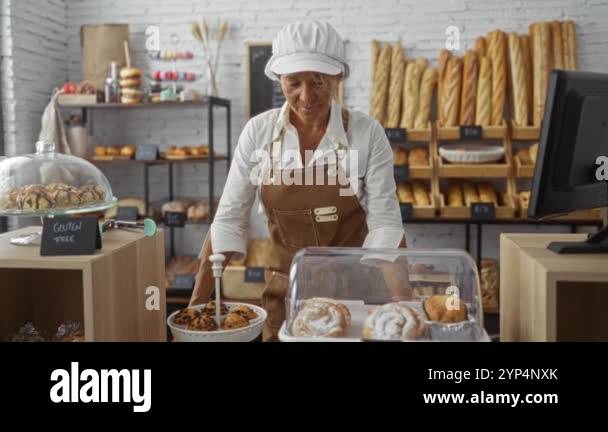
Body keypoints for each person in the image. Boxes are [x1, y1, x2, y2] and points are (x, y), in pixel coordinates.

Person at [190, 19, 406, 341]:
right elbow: (229, 221)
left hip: (358, 296)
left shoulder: (366, 133)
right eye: (294, 82)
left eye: (318, 81)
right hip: (287, 296)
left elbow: (386, 227)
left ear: (337, 77)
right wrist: (196, 309)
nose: (306, 96)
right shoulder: (258, 133)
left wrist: (406, 306)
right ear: (279, 79)